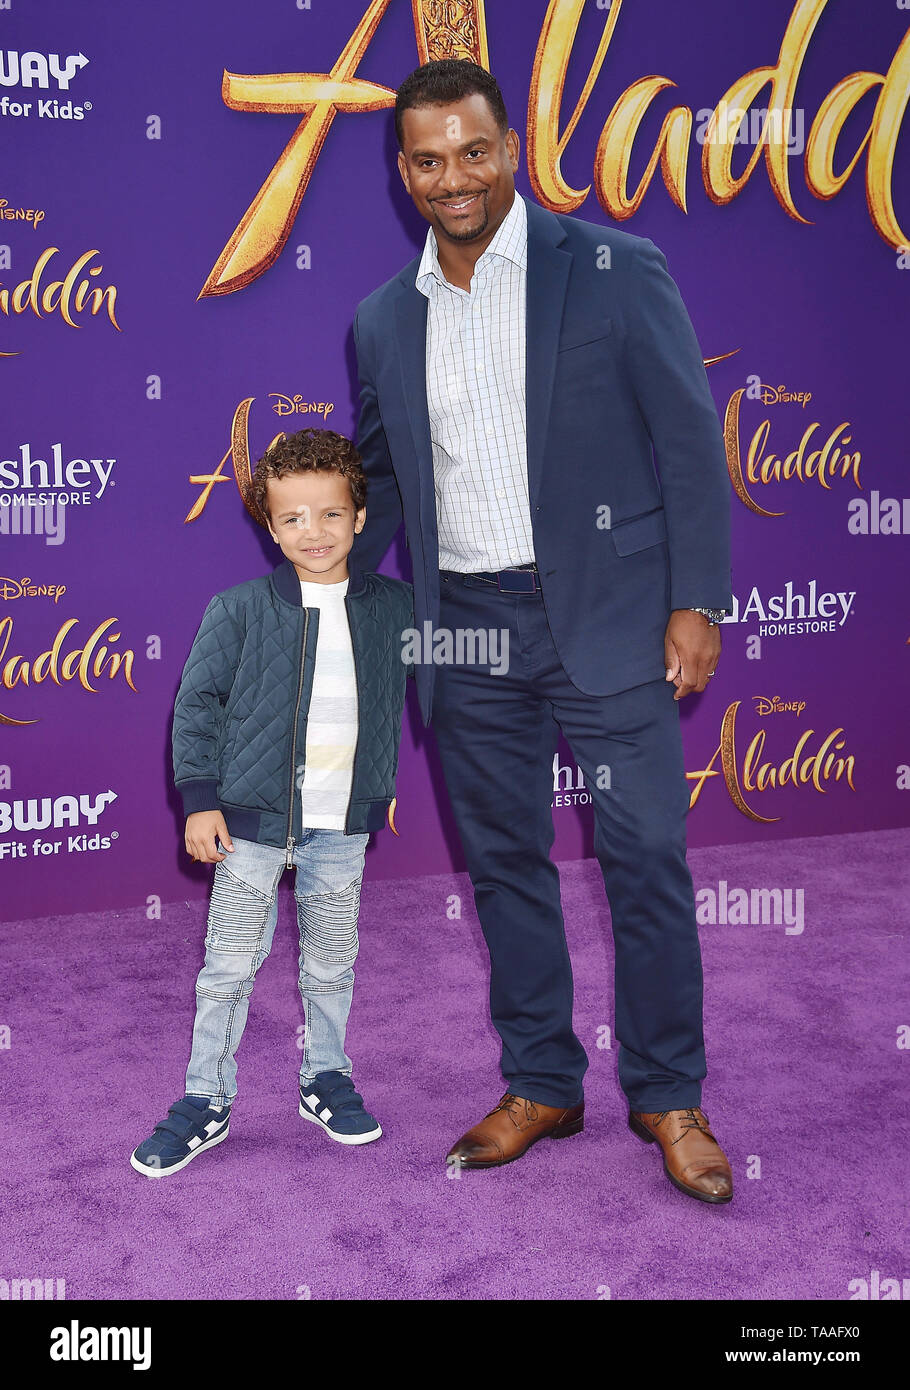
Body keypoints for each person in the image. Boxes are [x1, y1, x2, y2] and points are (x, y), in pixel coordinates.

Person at [351, 61, 735, 1203]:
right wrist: (318, 569)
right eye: (427, 159)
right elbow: (381, 476)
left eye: (472, 150)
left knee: (645, 859)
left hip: (608, 619)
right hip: (465, 631)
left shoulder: (613, 267)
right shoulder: (382, 319)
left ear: (509, 145)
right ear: (402, 170)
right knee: (505, 862)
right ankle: (543, 1081)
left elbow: (685, 435)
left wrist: (696, 599)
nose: (452, 177)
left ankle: (668, 1094)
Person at [130, 428, 413, 1177]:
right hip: (250, 830)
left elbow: (432, 687)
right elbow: (197, 706)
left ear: (359, 517)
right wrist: (199, 800)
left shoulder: (395, 608)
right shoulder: (240, 608)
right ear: (268, 524)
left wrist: (379, 785)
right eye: (292, 518)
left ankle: (325, 1076)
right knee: (226, 968)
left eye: (329, 514)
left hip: (340, 831)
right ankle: (205, 1099)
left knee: (331, 965)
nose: (311, 532)